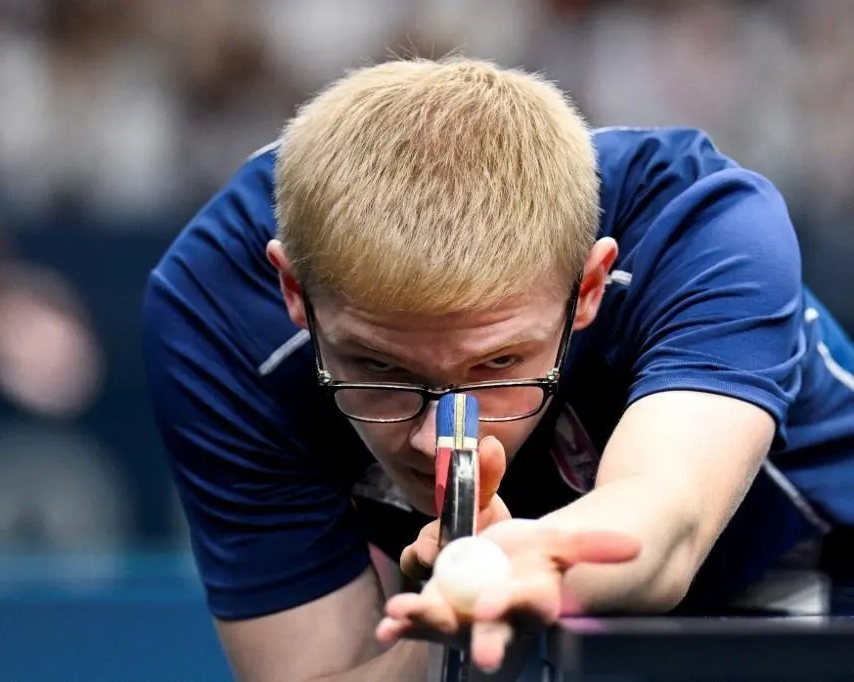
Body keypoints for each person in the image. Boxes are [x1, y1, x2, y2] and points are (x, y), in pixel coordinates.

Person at [141, 57, 854, 680]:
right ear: (294, 292)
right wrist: (458, 632)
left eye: (498, 362)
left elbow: (665, 522)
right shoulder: (216, 312)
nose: (438, 440)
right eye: (378, 366)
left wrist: (532, 562)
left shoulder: (706, 227)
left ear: (591, 285)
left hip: (815, 576)